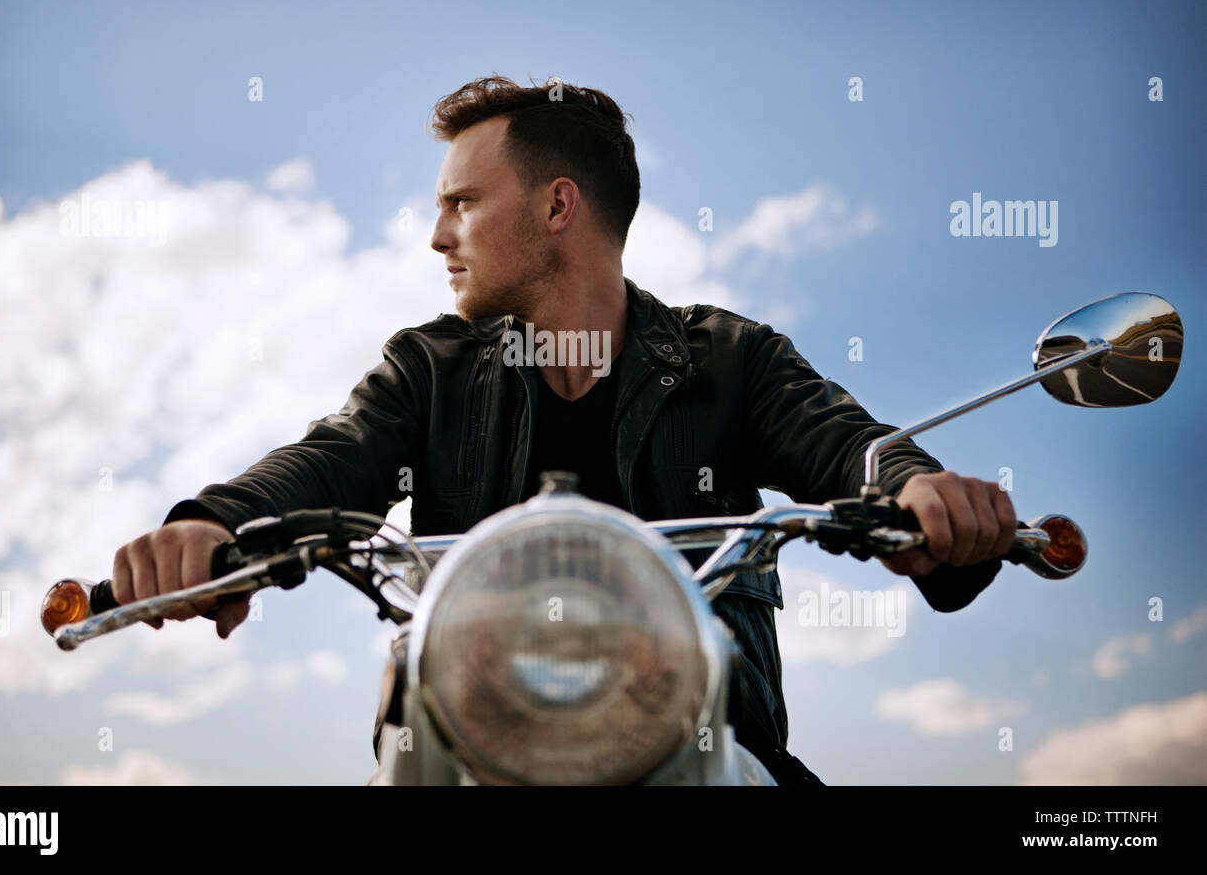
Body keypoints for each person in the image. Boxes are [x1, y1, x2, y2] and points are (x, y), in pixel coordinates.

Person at [112, 75, 1017, 784]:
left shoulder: (730, 359)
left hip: (702, 739)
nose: (437, 236)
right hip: (465, 737)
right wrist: (216, 520)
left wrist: (915, 488)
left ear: (556, 207)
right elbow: (330, 458)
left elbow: (843, 442)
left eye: (462, 203)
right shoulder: (429, 370)